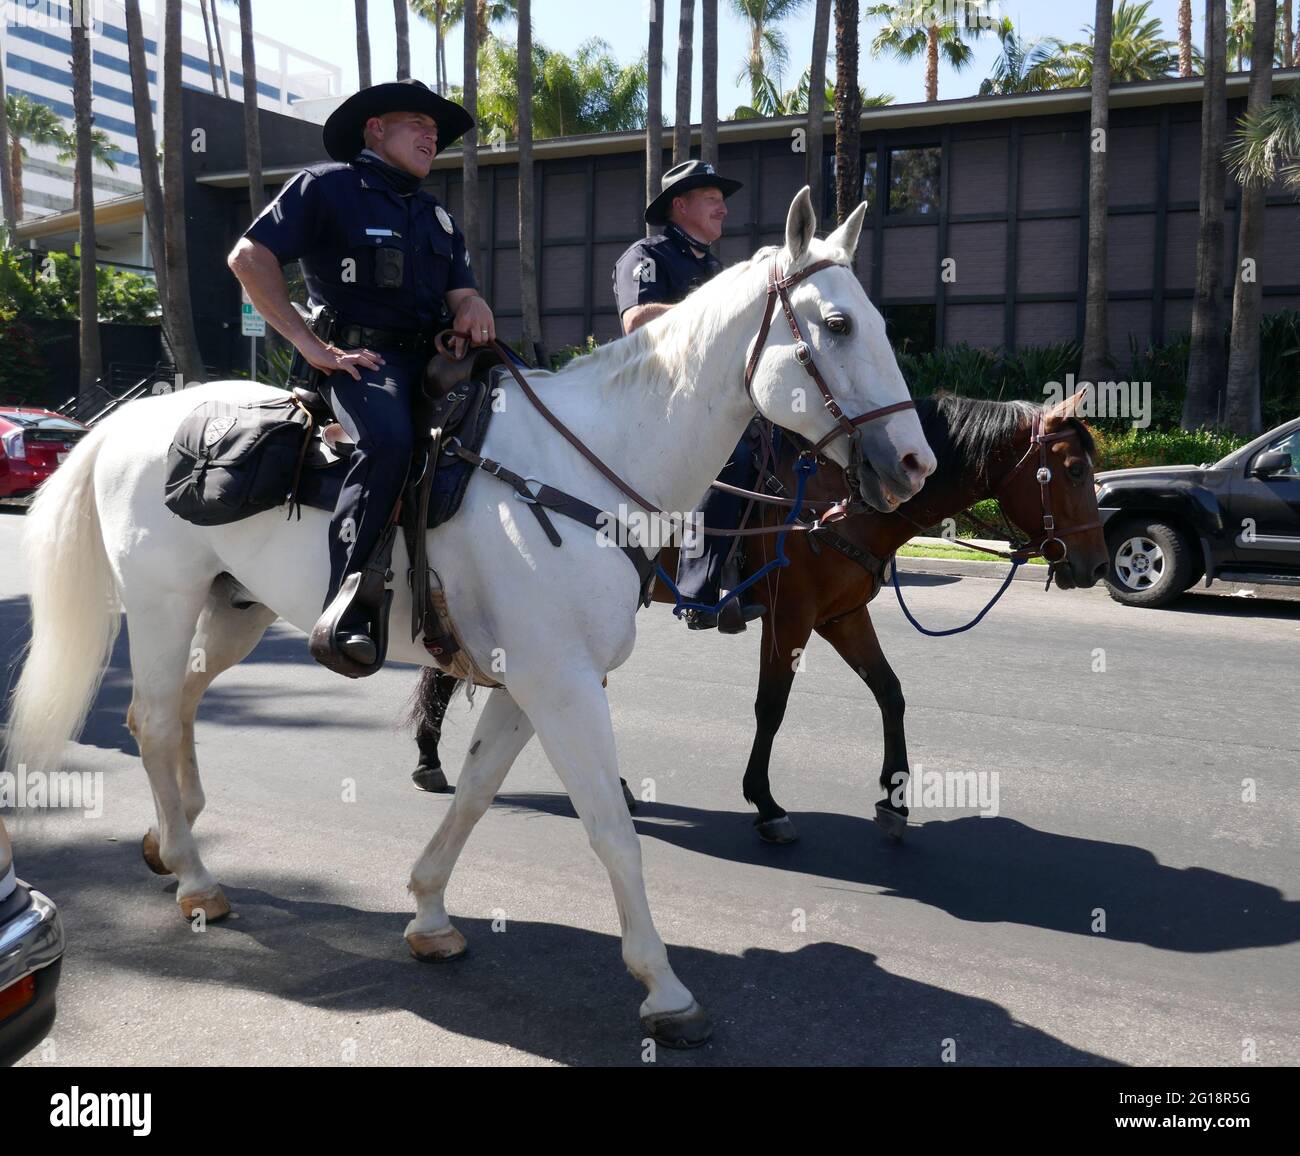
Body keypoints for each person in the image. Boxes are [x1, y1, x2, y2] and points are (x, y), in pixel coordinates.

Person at [227, 79, 496, 668]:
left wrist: (472, 305)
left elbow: (460, 291)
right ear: (376, 128)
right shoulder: (328, 187)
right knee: (390, 443)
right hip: (361, 361)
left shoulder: (437, 215)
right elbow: (249, 257)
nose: (432, 137)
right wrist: (310, 343)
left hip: (432, 360)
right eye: (418, 125)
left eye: (436, 132)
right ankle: (349, 601)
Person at [612, 159, 765, 633]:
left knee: (781, 453)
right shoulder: (646, 254)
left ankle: (758, 577)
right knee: (729, 460)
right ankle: (698, 593)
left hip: (715, 399)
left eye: (722, 199)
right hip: (660, 398)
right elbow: (635, 322)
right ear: (680, 206)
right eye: (711, 198)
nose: (723, 207)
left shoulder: (717, 267)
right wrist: (712, 310)